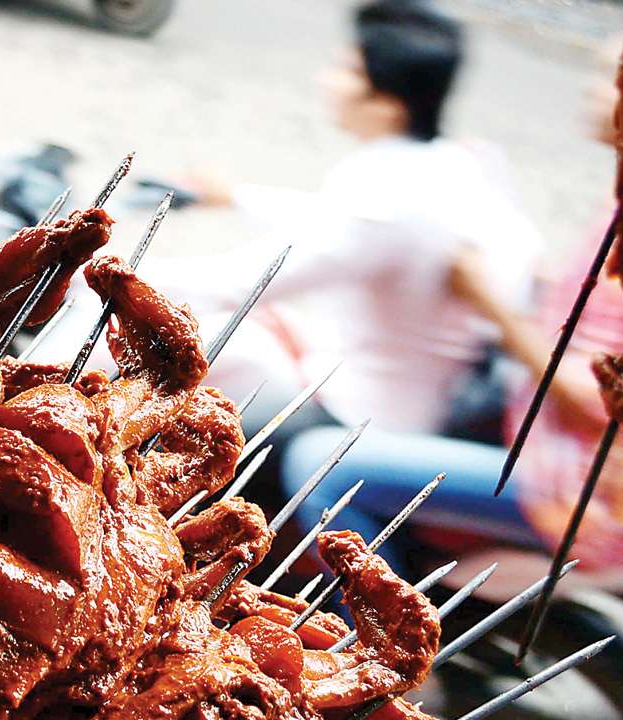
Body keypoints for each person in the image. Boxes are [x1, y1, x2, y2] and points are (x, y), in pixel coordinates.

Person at [130, 0, 544, 572]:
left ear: (386, 96)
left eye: (346, 68)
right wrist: (235, 195)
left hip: (357, 419)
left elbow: (245, 281)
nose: (328, 79)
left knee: (167, 450)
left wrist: (104, 266)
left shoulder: (386, 198)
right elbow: (341, 223)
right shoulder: (458, 163)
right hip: (418, 397)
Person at [444, 31, 623, 586]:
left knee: (327, 468)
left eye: (610, 78)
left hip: (587, 491)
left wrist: (488, 302)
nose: (591, 92)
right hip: (549, 440)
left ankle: (357, 659)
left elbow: (592, 398)